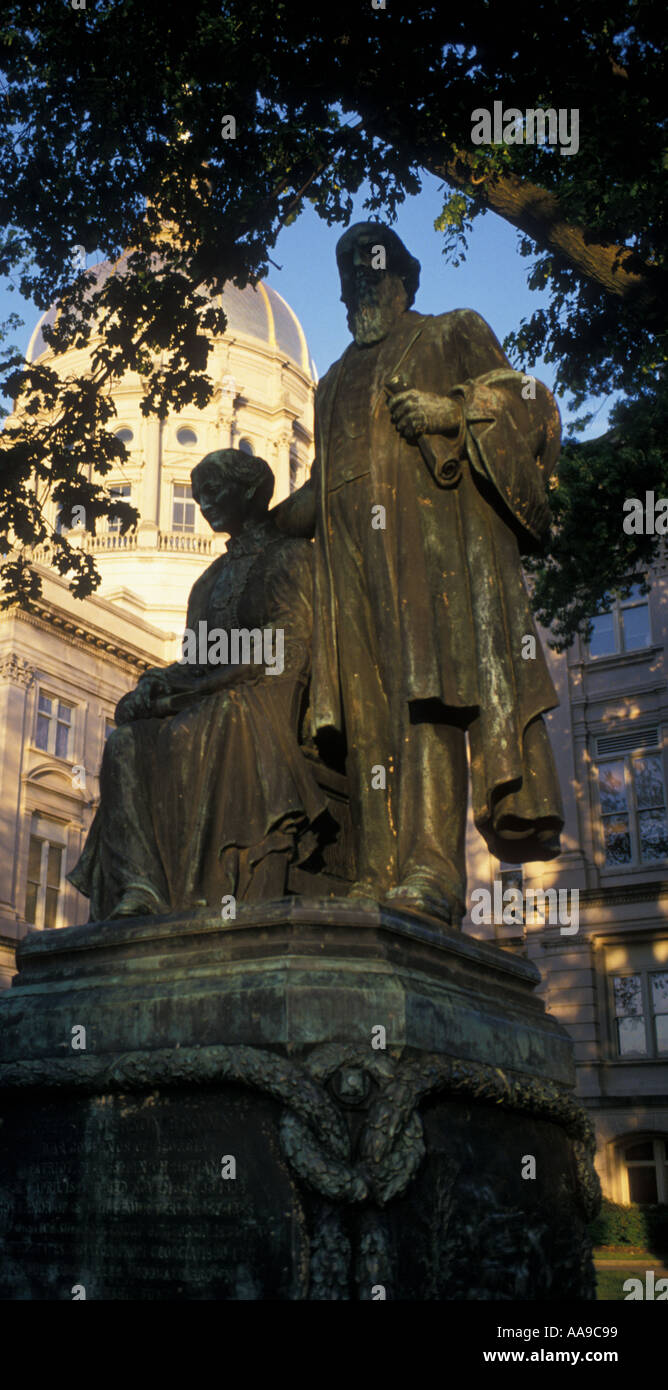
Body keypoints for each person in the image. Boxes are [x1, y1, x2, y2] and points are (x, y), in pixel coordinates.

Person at [273, 222, 564, 927]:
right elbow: (321, 484)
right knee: (369, 718)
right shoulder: (334, 379)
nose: (360, 289)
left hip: (426, 550)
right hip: (348, 564)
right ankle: (377, 869)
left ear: (403, 279)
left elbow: (530, 404)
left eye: (372, 275)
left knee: (429, 698)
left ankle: (432, 867)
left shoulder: (449, 333)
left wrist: (453, 411)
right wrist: (260, 519)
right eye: (349, 281)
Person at [68, 449, 330, 919]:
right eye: (197, 493)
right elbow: (197, 659)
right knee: (126, 743)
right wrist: (156, 681)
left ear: (250, 492)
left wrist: (202, 688)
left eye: (213, 491)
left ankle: (228, 879)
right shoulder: (208, 581)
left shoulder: (290, 556)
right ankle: (140, 888)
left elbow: (288, 646)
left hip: (271, 695)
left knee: (221, 715)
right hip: (213, 696)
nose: (203, 504)